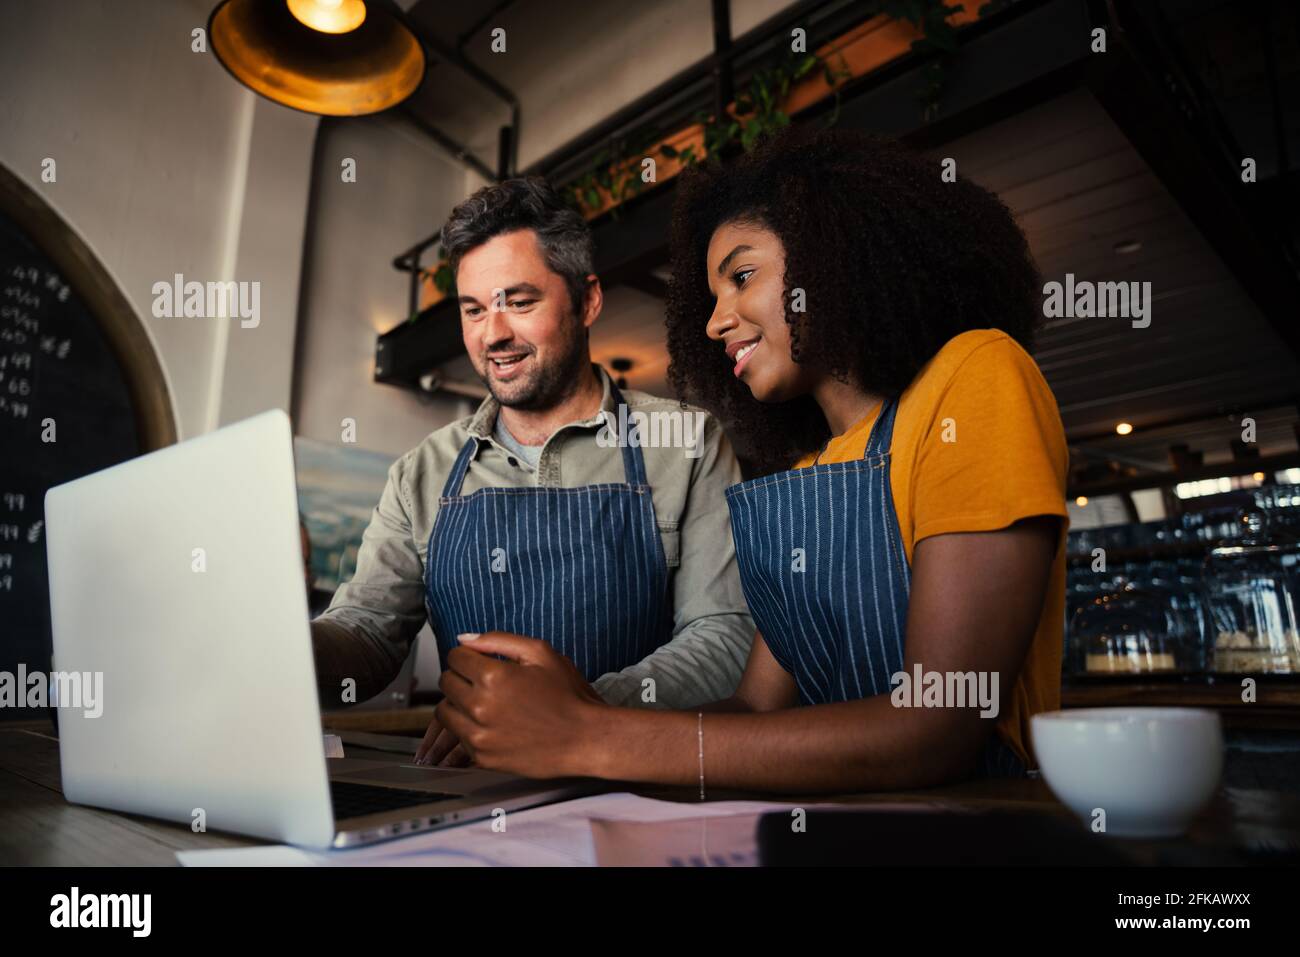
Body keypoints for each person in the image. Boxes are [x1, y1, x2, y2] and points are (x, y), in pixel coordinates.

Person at [433, 127, 1069, 792]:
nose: (714, 322)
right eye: (710, 298)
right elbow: (752, 711)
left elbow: (939, 725)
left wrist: (588, 735)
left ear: (835, 253)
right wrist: (586, 706)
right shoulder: (803, 474)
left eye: (742, 276)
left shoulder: (976, 377)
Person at [308, 177, 754, 766]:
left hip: (634, 786)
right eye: (473, 310)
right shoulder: (422, 472)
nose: (493, 334)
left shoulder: (689, 443)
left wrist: (576, 715)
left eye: (519, 303)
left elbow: (725, 638)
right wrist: (286, 639)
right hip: (469, 790)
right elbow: (366, 632)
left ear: (588, 300)